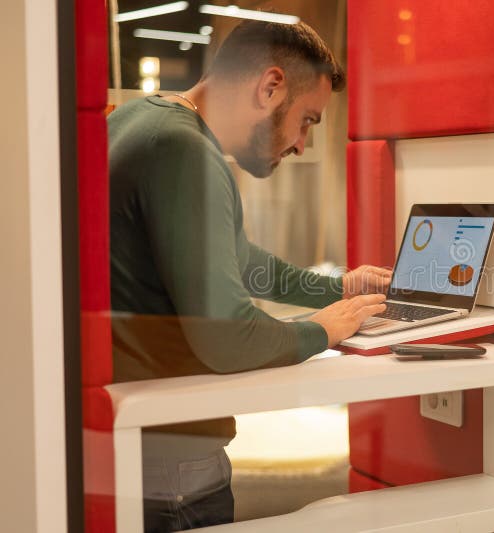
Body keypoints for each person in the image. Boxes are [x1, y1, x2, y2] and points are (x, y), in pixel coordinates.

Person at [108, 19, 390, 532]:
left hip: (137, 448)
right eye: (307, 120)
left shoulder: (142, 120)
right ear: (270, 87)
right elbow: (229, 338)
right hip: (170, 465)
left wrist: (338, 289)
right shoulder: (184, 151)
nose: (303, 144)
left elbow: (242, 262)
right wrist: (323, 329)